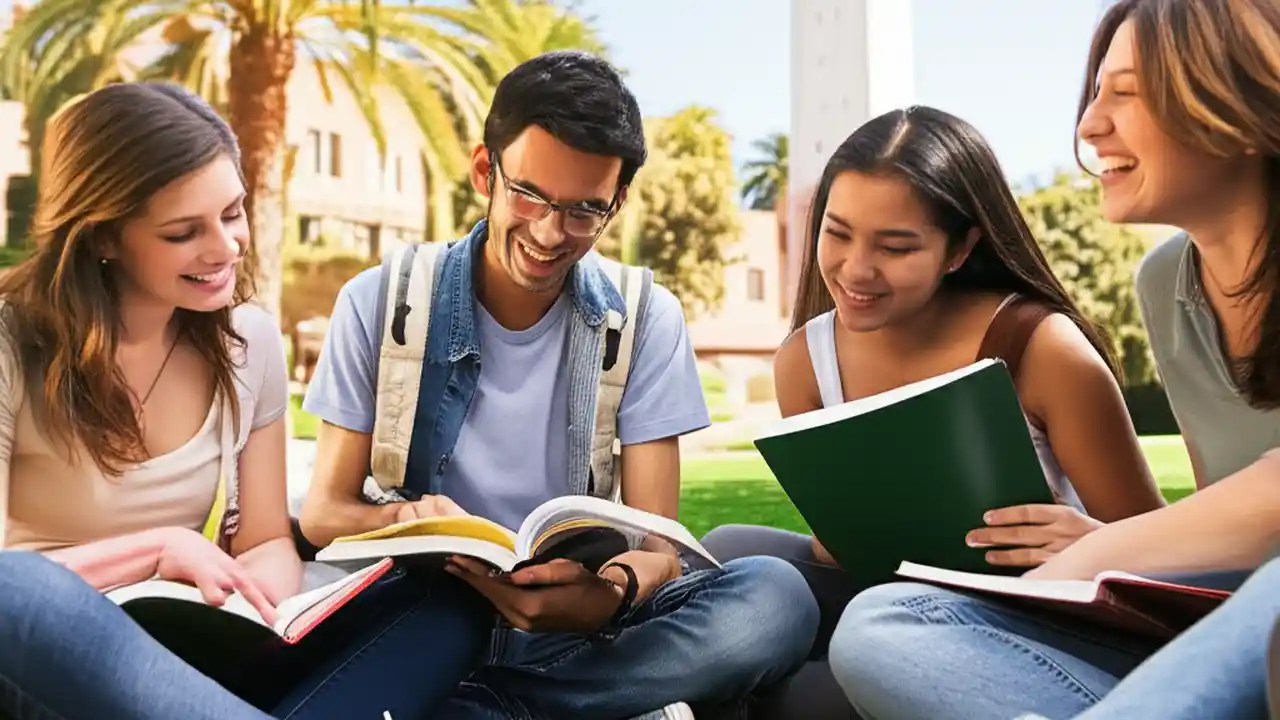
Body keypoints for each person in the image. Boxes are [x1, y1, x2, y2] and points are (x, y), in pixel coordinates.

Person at [298, 49, 819, 720]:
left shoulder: (644, 317)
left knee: (776, 599)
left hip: (581, 633)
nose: (549, 233)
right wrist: (405, 517)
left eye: (584, 210)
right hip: (425, 620)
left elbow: (662, 544)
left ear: (617, 203)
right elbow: (323, 515)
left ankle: (494, 709)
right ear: (486, 169)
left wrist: (608, 593)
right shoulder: (383, 300)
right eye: (530, 195)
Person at [828, 1, 1280, 718]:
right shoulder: (1167, 284)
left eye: (1126, 92)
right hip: (1232, 638)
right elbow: (1225, 529)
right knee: (887, 623)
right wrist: (1110, 547)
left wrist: (1102, 551)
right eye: (1095, 92)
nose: (1091, 124)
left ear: (1239, 94)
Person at [0, 82, 490, 720]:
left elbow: (262, 538)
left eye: (233, 213)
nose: (228, 247)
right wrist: (154, 549)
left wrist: (260, 609)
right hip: (49, 652)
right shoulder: (11, 343)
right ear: (103, 238)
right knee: (22, 591)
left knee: (447, 603)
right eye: (184, 232)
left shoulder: (247, 343)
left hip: (195, 652)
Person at [699, 104, 1166, 717]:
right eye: (837, 233)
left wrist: (1096, 544)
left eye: (895, 247)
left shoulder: (1042, 348)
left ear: (959, 249)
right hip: (880, 593)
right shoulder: (804, 361)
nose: (856, 269)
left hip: (1025, 614)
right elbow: (842, 551)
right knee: (725, 551)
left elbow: (1165, 563)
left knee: (810, 692)